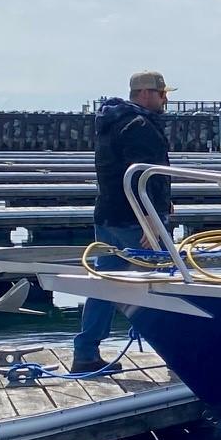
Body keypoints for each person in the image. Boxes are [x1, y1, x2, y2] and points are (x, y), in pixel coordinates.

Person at [71, 71, 175, 373]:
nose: (165, 100)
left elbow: (120, 173)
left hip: (108, 215)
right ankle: (180, 352)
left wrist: (163, 202)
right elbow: (143, 175)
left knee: (106, 284)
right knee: (167, 280)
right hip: (135, 219)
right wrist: (151, 217)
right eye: (161, 94)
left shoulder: (111, 122)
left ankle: (85, 353)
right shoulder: (139, 125)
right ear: (145, 94)